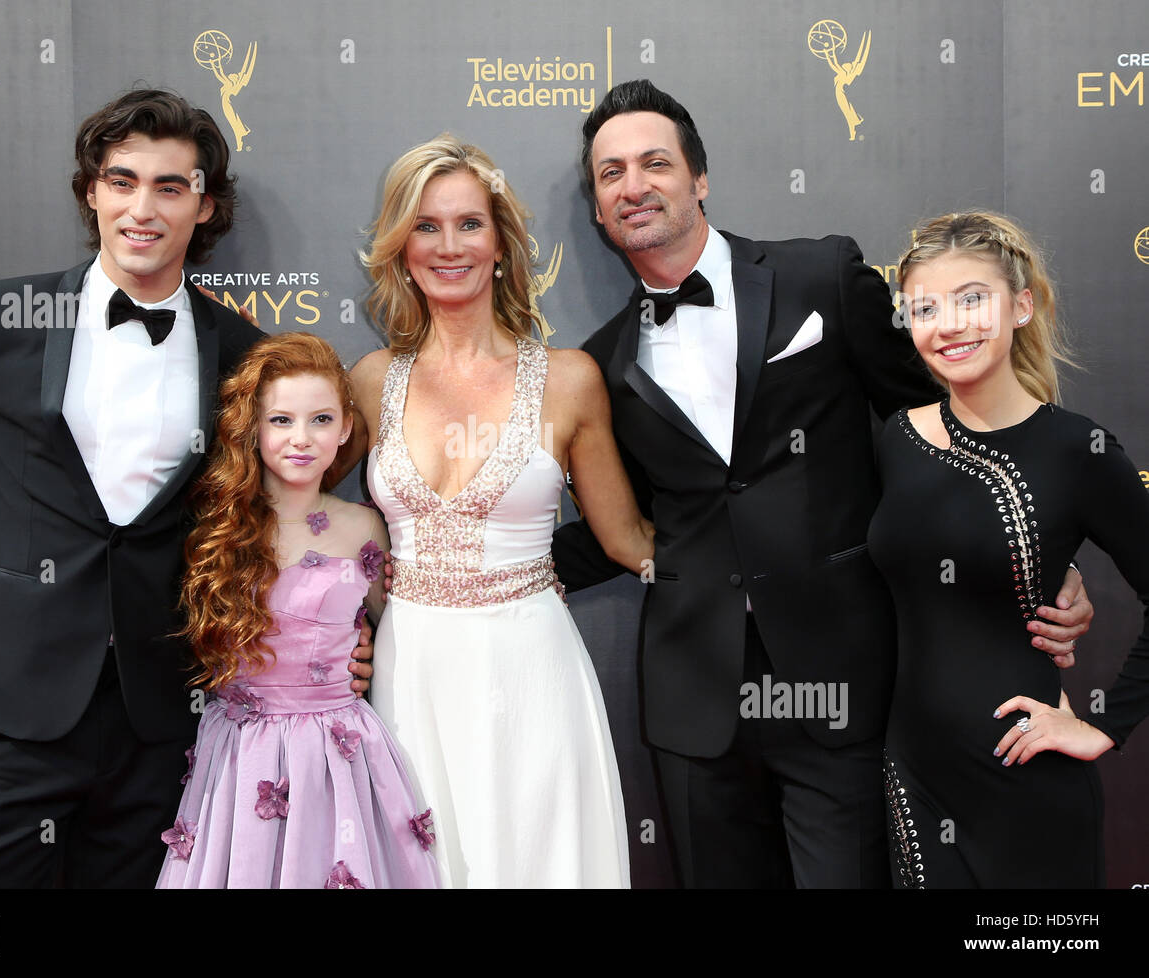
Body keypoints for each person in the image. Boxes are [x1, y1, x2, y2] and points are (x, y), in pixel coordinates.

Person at [550, 79, 1095, 888]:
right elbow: (617, 522)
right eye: (611, 173)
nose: (634, 186)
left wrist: (1037, 549)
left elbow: (938, 423)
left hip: (840, 675)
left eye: (654, 163)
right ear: (598, 209)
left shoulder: (821, 277)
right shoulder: (597, 364)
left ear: (699, 178)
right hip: (695, 698)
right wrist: (473, 576)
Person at [0, 89, 370, 888]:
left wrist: (335, 639)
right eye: (122, 180)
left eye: (170, 187)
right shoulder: (2, 317)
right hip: (6, 707)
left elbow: (275, 520)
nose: (143, 208)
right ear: (92, 192)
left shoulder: (244, 354)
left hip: (160, 723)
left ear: (205, 205)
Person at [341, 134, 652, 888]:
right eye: (426, 226)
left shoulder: (570, 381)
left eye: (470, 224)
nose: (450, 246)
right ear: (400, 248)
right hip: (410, 672)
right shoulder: (369, 381)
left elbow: (626, 540)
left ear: (503, 244)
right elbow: (298, 518)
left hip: (531, 672)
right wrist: (327, 627)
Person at [871, 211, 1149, 887]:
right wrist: (1055, 564)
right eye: (925, 307)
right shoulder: (894, 438)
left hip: (1027, 783)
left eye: (973, 299)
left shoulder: (1077, 450)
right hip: (914, 778)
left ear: (1021, 306)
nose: (950, 324)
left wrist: (1104, 724)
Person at [156, 332, 437, 888]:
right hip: (242, 754)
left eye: (322, 420)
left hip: (338, 752)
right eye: (281, 420)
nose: (302, 439)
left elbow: (400, 627)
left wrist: (367, 652)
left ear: (347, 429)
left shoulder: (364, 526)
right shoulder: (216, 529)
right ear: (252, 429)